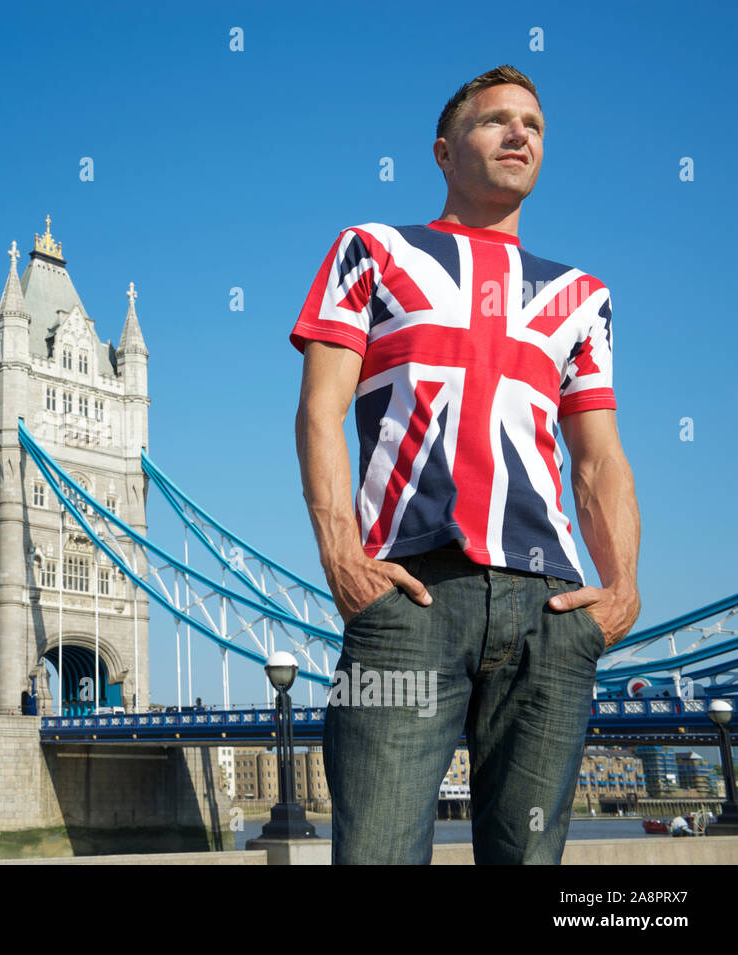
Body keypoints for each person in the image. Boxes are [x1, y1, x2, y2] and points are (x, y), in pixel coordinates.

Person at [290, 65, 642, 864]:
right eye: (497, 121)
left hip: (549, 617)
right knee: (375, 854)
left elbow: (598, 459)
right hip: (407, 603)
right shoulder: (370, 251)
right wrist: (340, 555)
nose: (521, 133)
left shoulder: (584, 296)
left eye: (535, 125)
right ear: (445, 153)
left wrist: (621, 590)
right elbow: (320, 409)